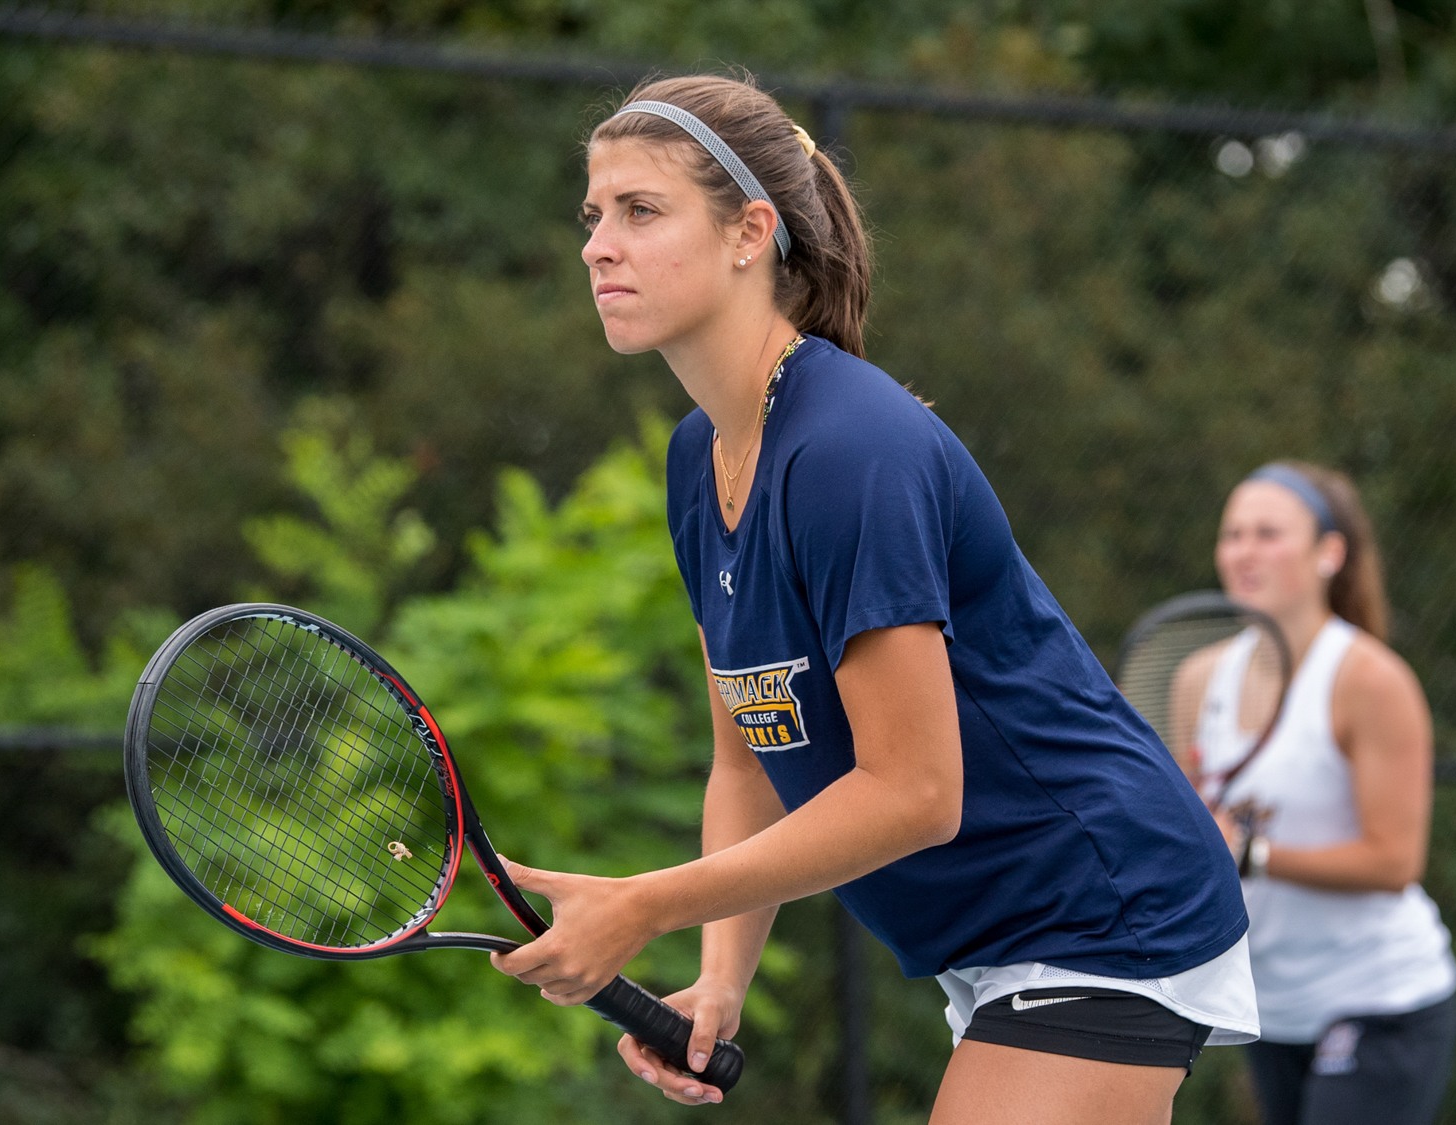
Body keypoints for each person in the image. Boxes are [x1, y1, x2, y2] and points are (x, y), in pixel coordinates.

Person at [486, 73, 1257, 1124]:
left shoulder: (853, 448)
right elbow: (749, 754)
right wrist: (718, 979)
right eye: (593, 214)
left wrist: (641, 905)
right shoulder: (697, 458)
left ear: (748, 232)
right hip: (1001, 939)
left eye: (640, 210)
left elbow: (914, 791)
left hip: (1101, 908)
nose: (596, 245)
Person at [1183, 462, 1456, 1125]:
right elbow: (1196, 830)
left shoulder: (1370, 680)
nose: (1244, 551)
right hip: (1272, 1007)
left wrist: (1255, 853)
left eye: (1269, 533)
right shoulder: (1200, 677)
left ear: (1329, 552)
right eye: (1233, 534)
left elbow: (1395, 861)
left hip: (1379, 1002)